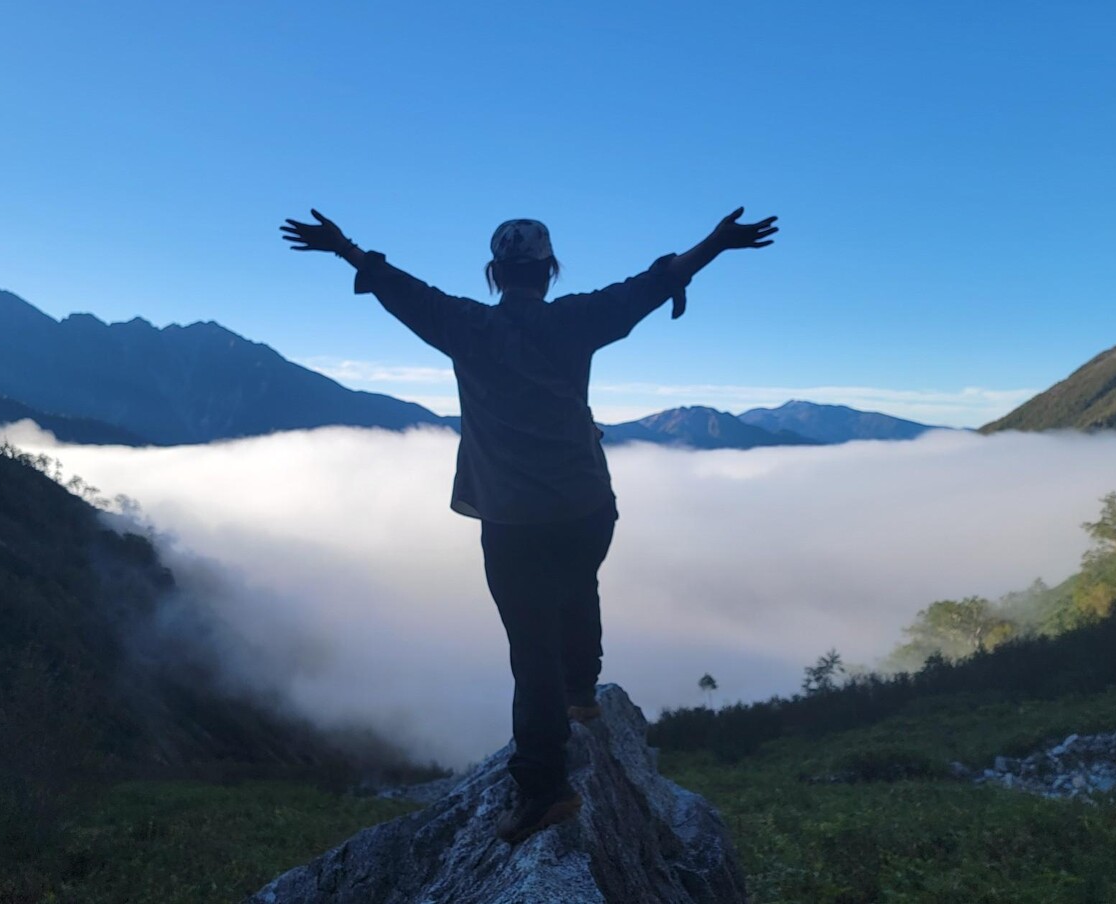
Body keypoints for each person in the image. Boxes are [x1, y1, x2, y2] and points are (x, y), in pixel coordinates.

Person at [280, 207, 778, 844]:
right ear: (550, 271)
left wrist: (344, 248)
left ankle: (544, 789)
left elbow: (402, 289)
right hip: (587, 506)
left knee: (530, 648)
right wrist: (717, 242)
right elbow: (649, 286)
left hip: (512, 517)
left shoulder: (464, 324)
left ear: (495, 273)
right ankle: (582, 692)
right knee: (579, 583)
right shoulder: (576, 320)